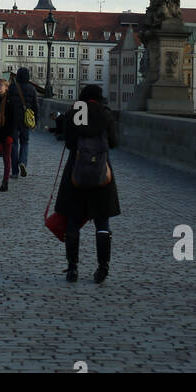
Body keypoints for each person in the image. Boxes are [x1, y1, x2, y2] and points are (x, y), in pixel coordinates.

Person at [54, 85, 121, 283]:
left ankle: (73, 269)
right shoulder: (105, 113)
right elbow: (114, 143)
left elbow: (69, 143)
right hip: (101, 175)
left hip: (77, 172)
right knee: (102, 223)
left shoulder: (76, 111)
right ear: (99, 98)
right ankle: (103, 268)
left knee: (73, 222)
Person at [10, 67, 39, 178]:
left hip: (13, 119)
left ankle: (15, 171)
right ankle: (23, 162)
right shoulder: (32, 89)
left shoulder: (12, 87)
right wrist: (35, 121)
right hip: (25, 120)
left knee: (14, 144)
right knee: (25, 142)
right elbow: (35, 106)